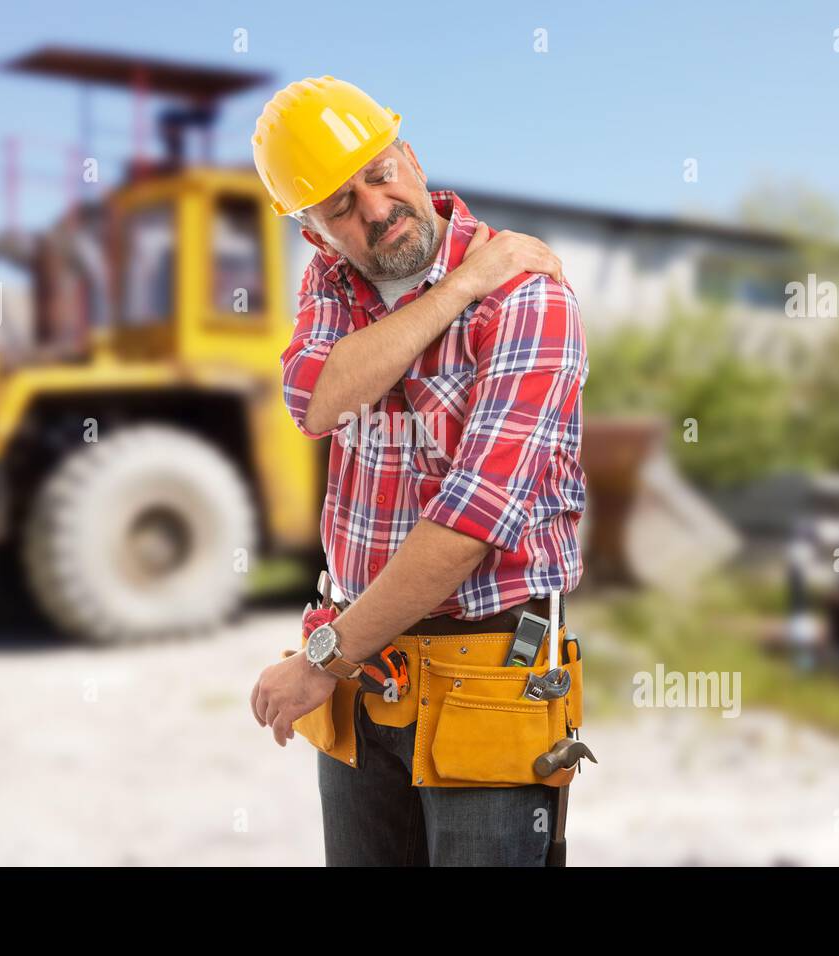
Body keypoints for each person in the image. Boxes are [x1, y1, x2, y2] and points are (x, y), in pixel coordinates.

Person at [248, 76, 588, 866]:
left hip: (485, 673)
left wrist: (321, 661)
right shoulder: (333, 281)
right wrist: (458, 287)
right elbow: (317, 400)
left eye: (379, 173)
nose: (372, 208)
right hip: (361, 682)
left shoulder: (529, 294)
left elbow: (469, 527)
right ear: (313, 234)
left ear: (409, 154)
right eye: (337, 205)